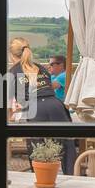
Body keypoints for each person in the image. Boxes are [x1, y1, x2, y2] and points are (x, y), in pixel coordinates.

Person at [7, 37, 76, 174]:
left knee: (38, 153)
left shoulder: (12, 72)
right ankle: (73, 179)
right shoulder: (41, 68)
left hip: (35, 109)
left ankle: (42, 183)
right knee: (67, 150)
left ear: (11, 54)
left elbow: (9, 105)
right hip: (56, 105)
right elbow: (44, 89)